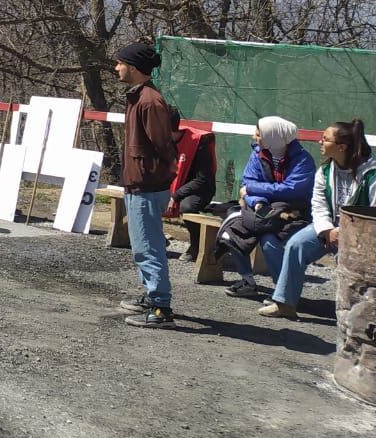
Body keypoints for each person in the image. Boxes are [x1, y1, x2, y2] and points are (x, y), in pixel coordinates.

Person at [232, 119, 370, 319]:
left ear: (341, 147)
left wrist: (346, 232)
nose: (320, 142)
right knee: (296, 245)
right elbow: (319, 203)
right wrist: (326, 229)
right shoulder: (325, 170)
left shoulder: (370, 174)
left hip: (362, 235)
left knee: (352, 269)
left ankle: (359, 312)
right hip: (327, 227)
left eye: (325, 139)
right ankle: (285, 302)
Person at [113, 42, 178, 328]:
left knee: (149, 247)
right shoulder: (139, 97)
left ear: (134, 67)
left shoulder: (150, 101)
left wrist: (152, 173)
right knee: (142, 245)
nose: (116, 68)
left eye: (120, 63)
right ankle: (150, 296)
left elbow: (163, 145)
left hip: (147, 186)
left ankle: (161, 307)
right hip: (139, 183)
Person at [224, 115, 315, 300]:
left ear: (273, 136)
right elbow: (247, 180)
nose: (255, 137)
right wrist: (257, 202)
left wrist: (252, 190)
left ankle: (283, 292)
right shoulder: (258, 153)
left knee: (269, 241)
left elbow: (292, 190)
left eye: (259, 134)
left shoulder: (303, 161)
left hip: (293, 213)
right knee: (230, 232)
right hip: (261, 210)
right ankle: (247, 280)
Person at [163, 107, 217, 261]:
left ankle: (198, 245)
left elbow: (202, 179)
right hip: (171, 185)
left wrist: (175, 196)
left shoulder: (200, 142)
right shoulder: (158, 142)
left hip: (198, 189)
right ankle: (158, 239)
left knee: (187, 206)